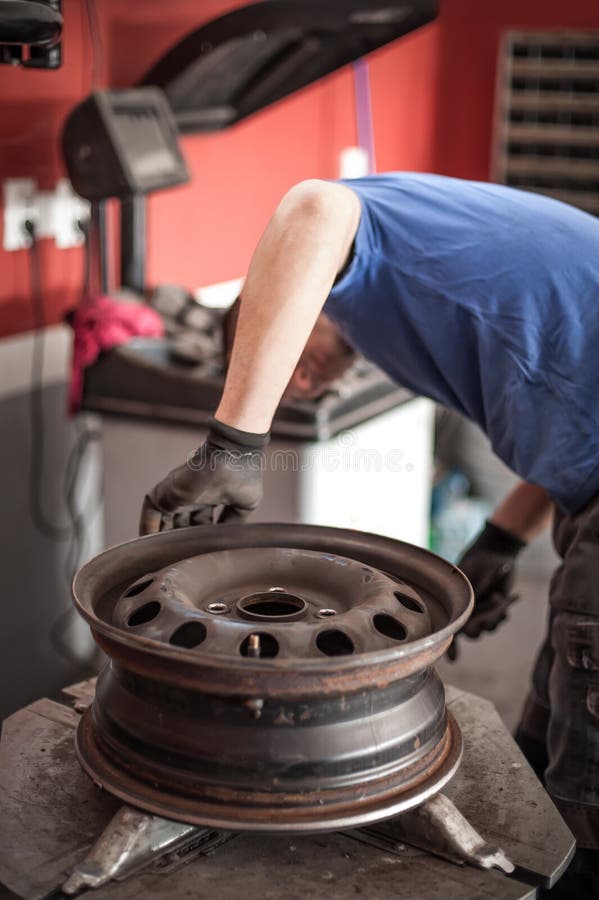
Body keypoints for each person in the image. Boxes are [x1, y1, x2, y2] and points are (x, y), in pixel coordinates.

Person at [140, 173, 599, 892]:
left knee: (586, 802)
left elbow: (312, 204)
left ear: (295, 292)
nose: (300, 385)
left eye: (284, 358)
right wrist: (503, 538)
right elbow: (573, 413)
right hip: (583, 501)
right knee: (546, 741)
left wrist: (233, 445)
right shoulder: (405, 310)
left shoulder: (366, 240)